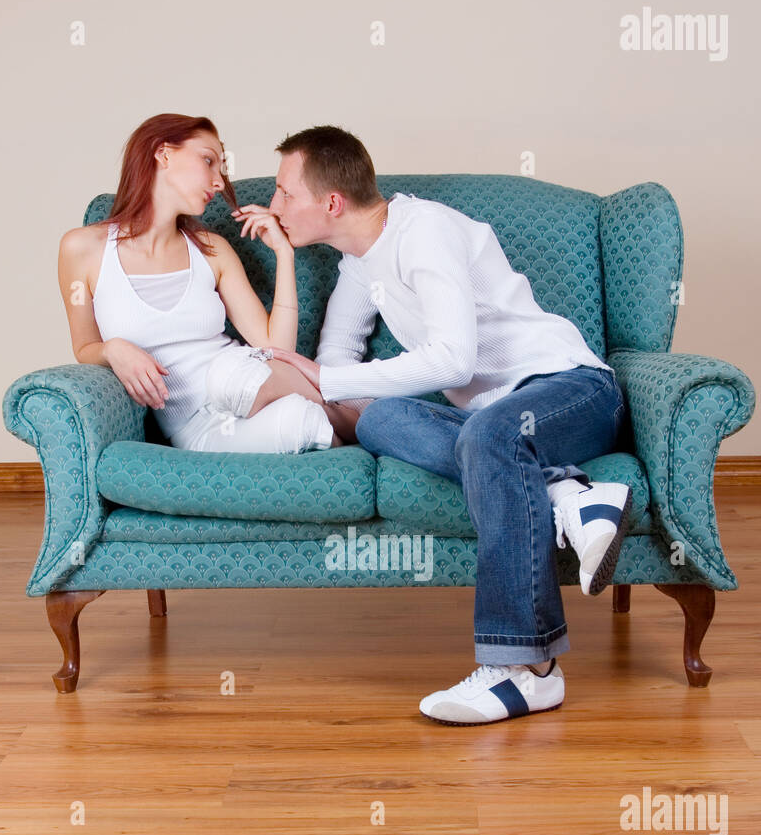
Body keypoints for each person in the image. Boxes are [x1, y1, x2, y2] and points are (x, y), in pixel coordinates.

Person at [260, 126, 633, 726]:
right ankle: (568, 492)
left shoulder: (422, 229)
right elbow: (337, 369)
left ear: (331, 202)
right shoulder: (359, 263)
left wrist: (329, 385)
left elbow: (453, 361)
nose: (275, 208)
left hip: (573, 391)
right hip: (496, 428)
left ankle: (524, 671)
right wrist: (325, 384)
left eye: (283, 193)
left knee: (488, 434)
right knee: (383, 420)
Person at [57, 112, 358, 454]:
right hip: (196, 427)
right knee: (301, 425)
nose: (219, 181)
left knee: (230, 374)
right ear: (163, 153)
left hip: (242, 380)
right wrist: (112, 348)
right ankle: (361, 424)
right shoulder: (80, 249)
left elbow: (277, 348)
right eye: (208, 160)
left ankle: (361, 422)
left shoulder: (212, 250)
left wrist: (284, 254)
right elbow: (84, 347)